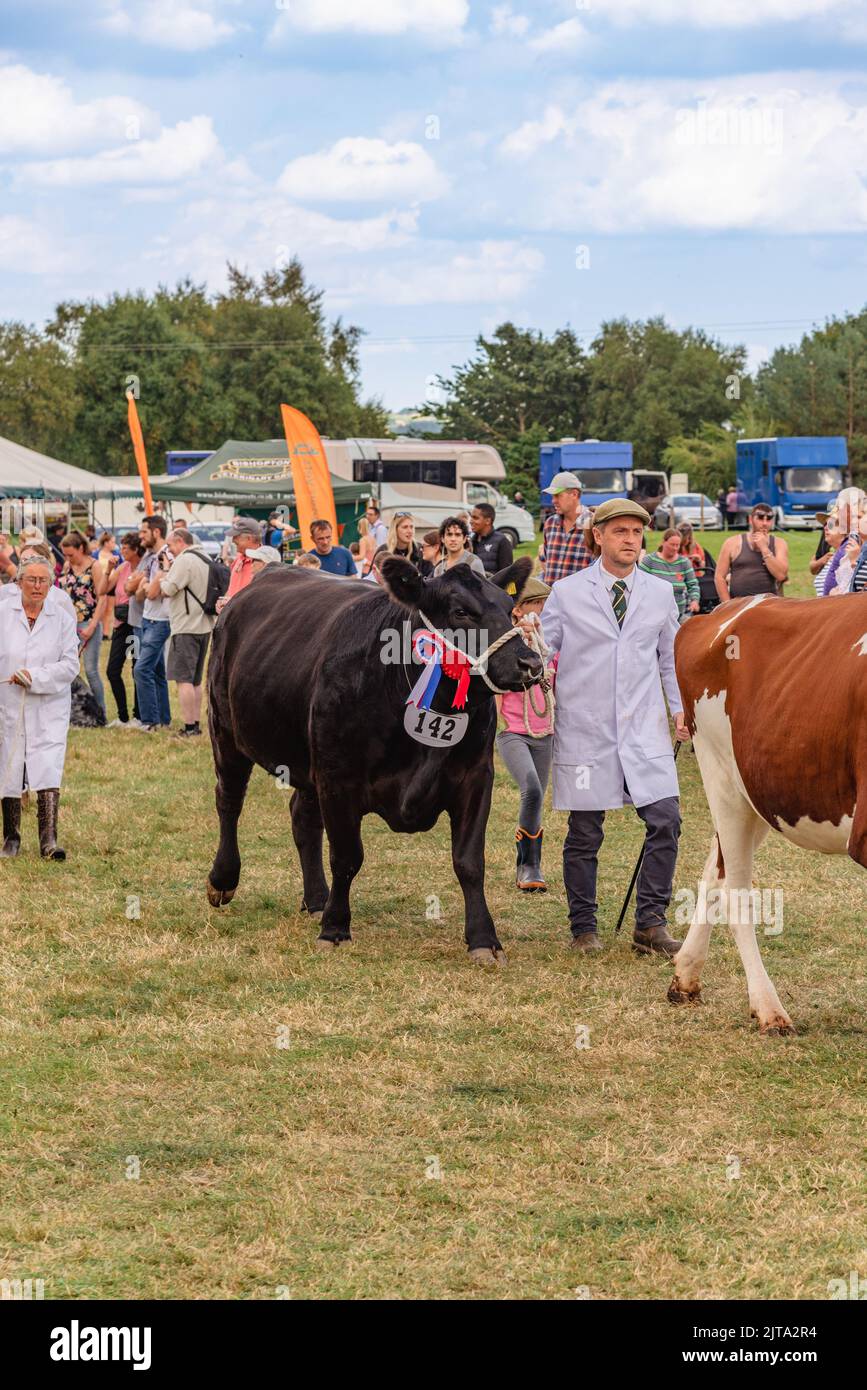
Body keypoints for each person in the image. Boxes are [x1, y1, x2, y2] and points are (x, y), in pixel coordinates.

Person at [540, 498, 690, 956]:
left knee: (666, 821)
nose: (630, 540)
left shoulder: (661, 593)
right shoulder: (565, 593)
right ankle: (583, 927)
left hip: (644, 730)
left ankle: (651, 923)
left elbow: (669, 658)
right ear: (598, 536)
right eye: (620, 532)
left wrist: (680, 708)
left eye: (635, 532)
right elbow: (543, 654)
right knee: (586, 831)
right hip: (586, 732)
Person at [0, 555, 79, 859]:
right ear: (18, 582)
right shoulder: (4, 613)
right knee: (9, 763)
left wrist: (35, 677)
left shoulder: (61, 618)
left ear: (51, 583)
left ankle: (49, 841)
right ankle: (11, 838)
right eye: (31, 579)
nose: (37, 585)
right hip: (8, 702)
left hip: (48, 704)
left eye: (43, 580)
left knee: (48, 763)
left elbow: (70, 665)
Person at [496, 577, 556, 892]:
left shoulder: (548, 645)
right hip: (513, 732)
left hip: (544, 732)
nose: (544, 614)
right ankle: (529, 865)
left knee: (538, 798)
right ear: (520, 609)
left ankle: (529, 864)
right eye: (539, 607)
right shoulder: (505, 643)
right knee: (531, 788)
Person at [159, 526, 216, 738]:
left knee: (183, 679)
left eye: (171, 545)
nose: (169, 549)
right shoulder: (205, 557)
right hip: (204, 625)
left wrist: (165, 570)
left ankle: (189, 726)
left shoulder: (184, 560)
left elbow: (168, 589)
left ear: (181, 541)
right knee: (196, 680)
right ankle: (197, 724)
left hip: (185, 626)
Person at [127, 514, 172, 733]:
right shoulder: (152, 557)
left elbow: (151, 592)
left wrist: (146, 584)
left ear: (156, 532)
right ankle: (163, 718)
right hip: (147, 618)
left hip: (160, 620)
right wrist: (145, 585)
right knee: (155, 672)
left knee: (141, 669)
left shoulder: (166, 556)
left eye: (144, 531)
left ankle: (150, 721)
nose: (140, 536)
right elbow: (135, 592)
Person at [58, 529, 108, 717]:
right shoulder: (67, 566)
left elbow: (102, 597)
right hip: (69, 625)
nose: (68, 558)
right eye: (65, 554)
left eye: (71, 554)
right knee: (68, 669)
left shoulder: (94, 566)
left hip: (88, 623)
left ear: (81, 548)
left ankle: (101, 712)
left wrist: (93, 625)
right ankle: (75, 711)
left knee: (91, 670)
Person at [98, 532, 143, 727]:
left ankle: (138, 715)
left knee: (137, 669)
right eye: (121, 546)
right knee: (112, 670)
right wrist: (108, 570)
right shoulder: (123, 567)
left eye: (126, 547)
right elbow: (101, 590)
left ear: (135, 550)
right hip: (121, 624)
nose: (122, 550)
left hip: (137, 624)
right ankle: (123, 715)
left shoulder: (143, 568)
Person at [715, 504, 788, 602]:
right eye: (760, 518)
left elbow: (781, 575)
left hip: (769, 604)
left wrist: (764, 549)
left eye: (769, 519)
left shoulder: (779, 543)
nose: (765, 523)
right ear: (750, 519)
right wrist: (727, 604)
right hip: (738, 605)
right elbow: (719, 577)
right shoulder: (732, 543)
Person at [540, 472, 594, 585]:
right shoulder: (550, 524)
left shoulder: (593, 524)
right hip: (552, 599)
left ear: (574, 494)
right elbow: (545, 562)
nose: (553, 501)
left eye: (557, 495)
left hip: (580, 601)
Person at [641, 529, 701, 620]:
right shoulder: (649, 560)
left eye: (677, 545)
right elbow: (639, 584)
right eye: (672, 544)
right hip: (653, 614)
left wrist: (694, 601)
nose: (675, 548)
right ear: (663, 542)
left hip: (679, 614)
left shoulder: (684, 562)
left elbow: (693, 585)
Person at [215, 517, 262, 613]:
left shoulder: (263, 563)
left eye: (236, 536)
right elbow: (231, 589)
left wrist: (233, 603)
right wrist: (224, 601)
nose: (232, 540)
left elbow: (263, 599)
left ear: (249, 538)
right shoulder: (238, 559)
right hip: (233, 620)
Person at [470, 503, 514, 575]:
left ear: (488, 521)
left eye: (475, 518)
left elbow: (506, 574)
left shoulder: (502, 541)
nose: (471, 521)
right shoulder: (471, 541)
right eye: (471, 517)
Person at [810, 516, 846, 596]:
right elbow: (812, 566)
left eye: (832, 524)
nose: (826, 527)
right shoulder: (831, 555)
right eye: (825, 524)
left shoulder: (847, 556)